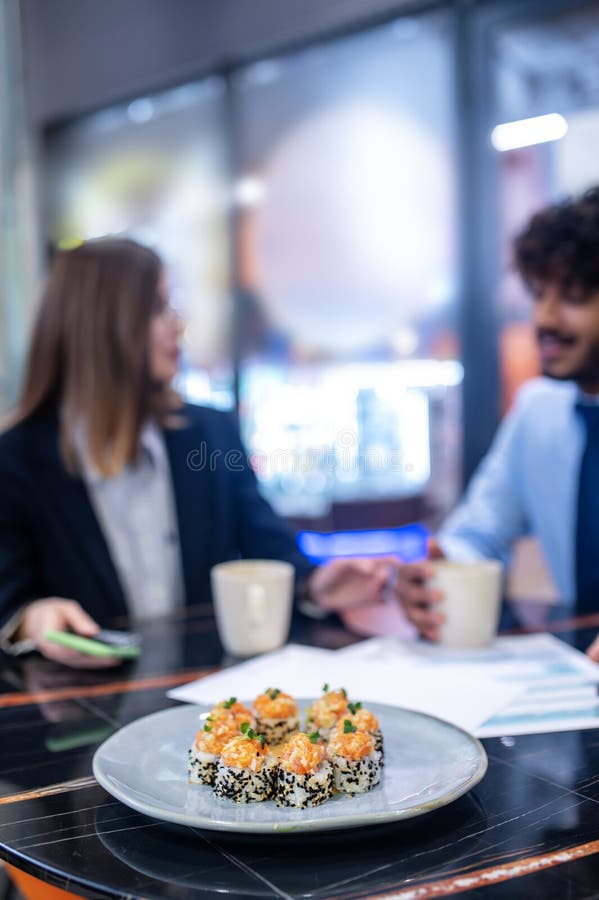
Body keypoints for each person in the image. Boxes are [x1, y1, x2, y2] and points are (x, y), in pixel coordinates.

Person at [0, 238, 397, 668]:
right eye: (156, 308)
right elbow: (11, 599)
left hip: (207, 698)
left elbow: (269, 545)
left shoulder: (211, 432)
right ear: (98, 325)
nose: (177, 326)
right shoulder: (14, 459)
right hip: (82, 709)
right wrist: (31, 619)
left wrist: (316, 585)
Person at [395, 186, 599, 660]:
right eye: (538, 293)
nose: (544, 317)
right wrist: (439, 571)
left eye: (571, 296)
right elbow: (480, 533)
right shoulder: (538, 409)